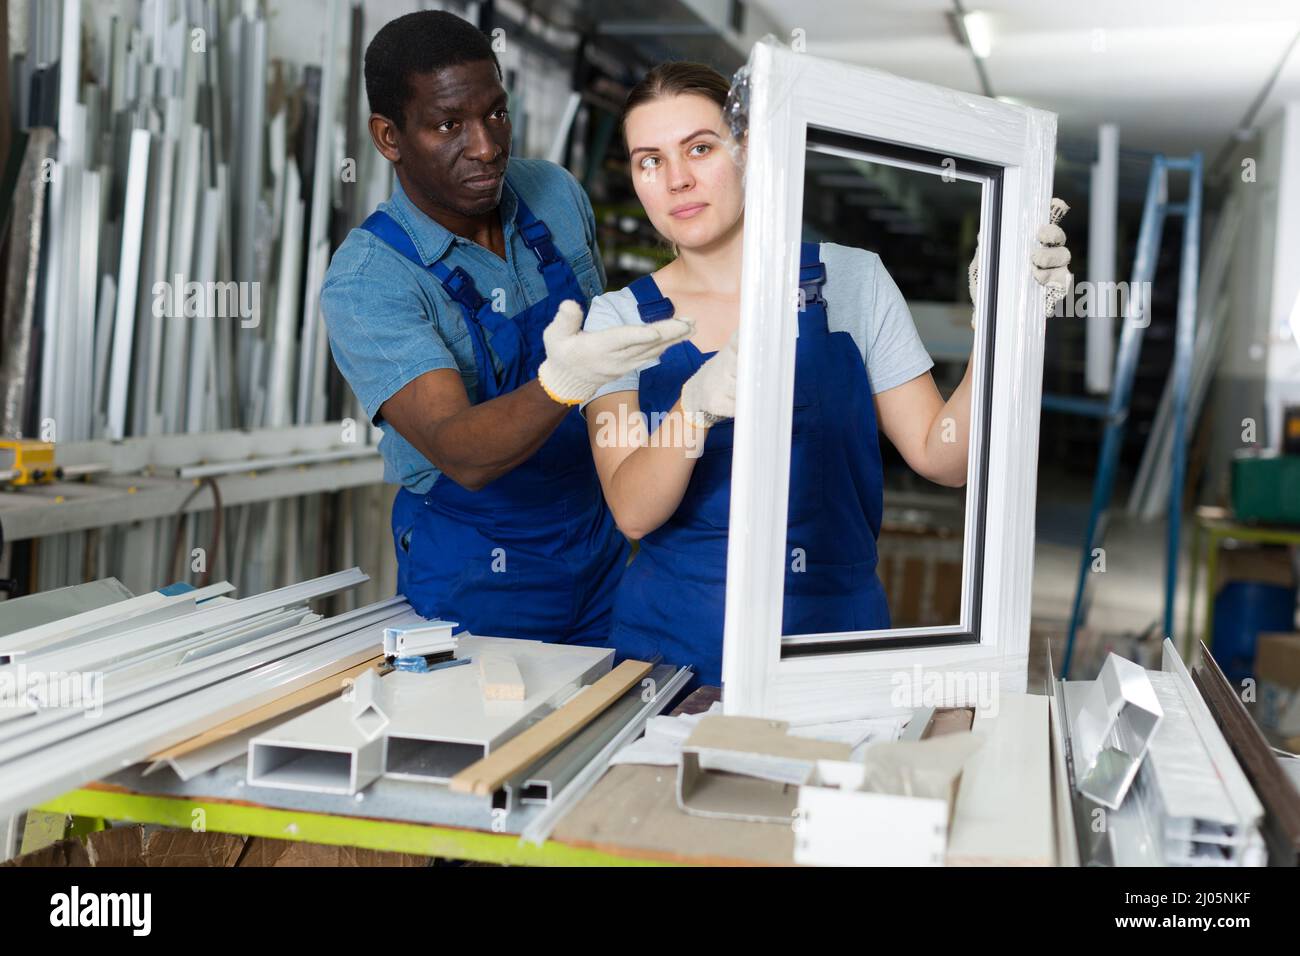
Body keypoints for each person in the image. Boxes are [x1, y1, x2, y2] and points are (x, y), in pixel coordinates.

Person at [580, 62, 1071, 686]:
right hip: (675, 656)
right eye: (649, 159)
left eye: (699, 148)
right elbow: (631, 511)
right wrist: (691, 412)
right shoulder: (618, 320)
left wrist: (1002, 325)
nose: (676, 180)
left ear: (751, 150)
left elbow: (943, 458)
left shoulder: (854, 281)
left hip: (837, 649)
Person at [320, 12, 690, 644]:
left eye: (496, 113)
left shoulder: (553, 192)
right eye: (448, 125)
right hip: (479, 568)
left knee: (615, 725)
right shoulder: (369, 282)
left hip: (600, 544)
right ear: (388, 137)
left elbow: (611, 388)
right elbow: (460, 452)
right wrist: (561, 383)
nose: (487, 145)